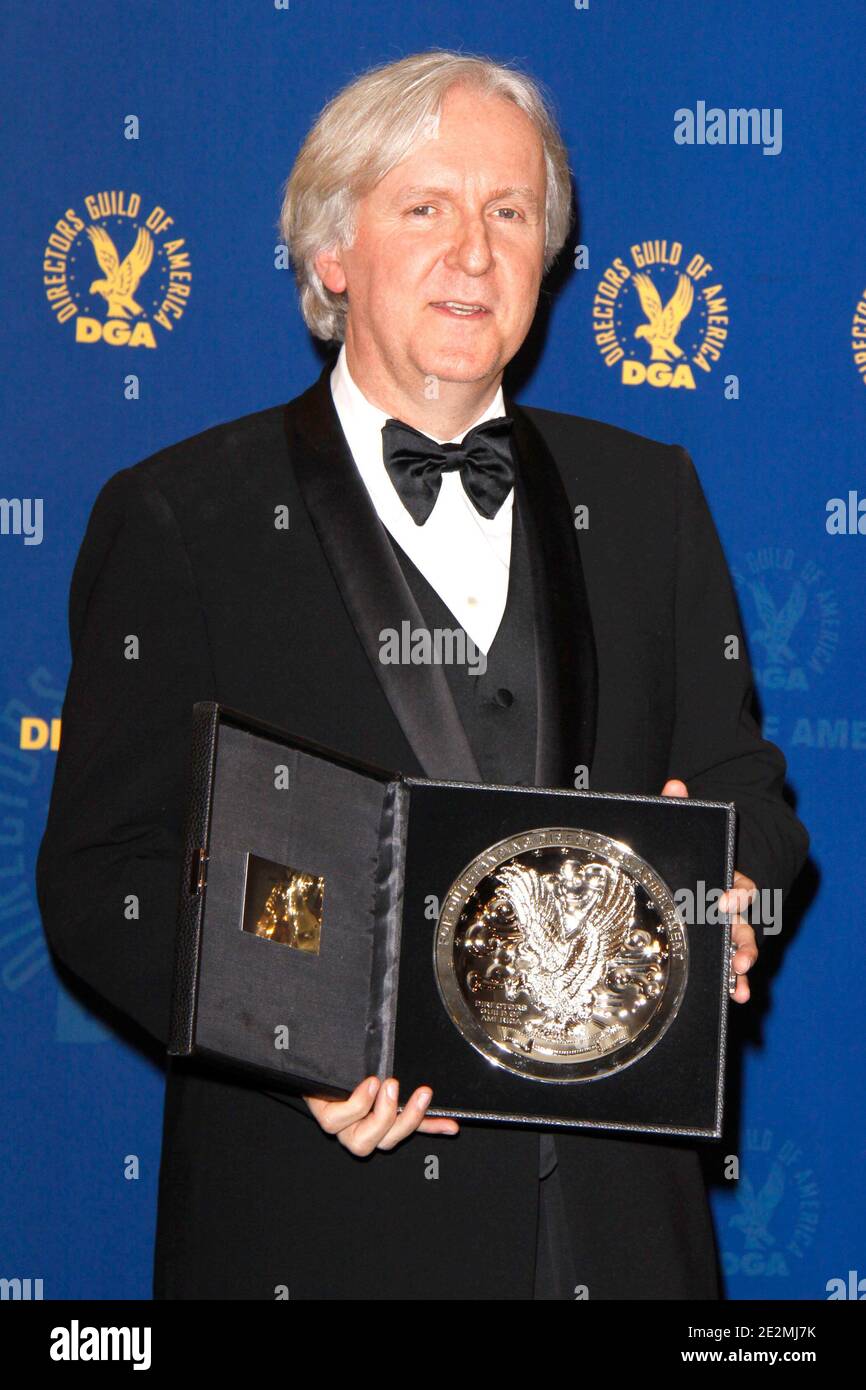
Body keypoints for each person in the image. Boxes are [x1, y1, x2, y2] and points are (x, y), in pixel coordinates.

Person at [36, 49, 808, 1300]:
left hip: (619, 1238)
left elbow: (747, 791)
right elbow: (99, 877)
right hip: (320, 1227)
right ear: (331, 253)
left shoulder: (646, 497)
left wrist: (725, 881)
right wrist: (291, 1052)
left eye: (508, 213)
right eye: (424, 207)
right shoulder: (182, 519)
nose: (473, 251)